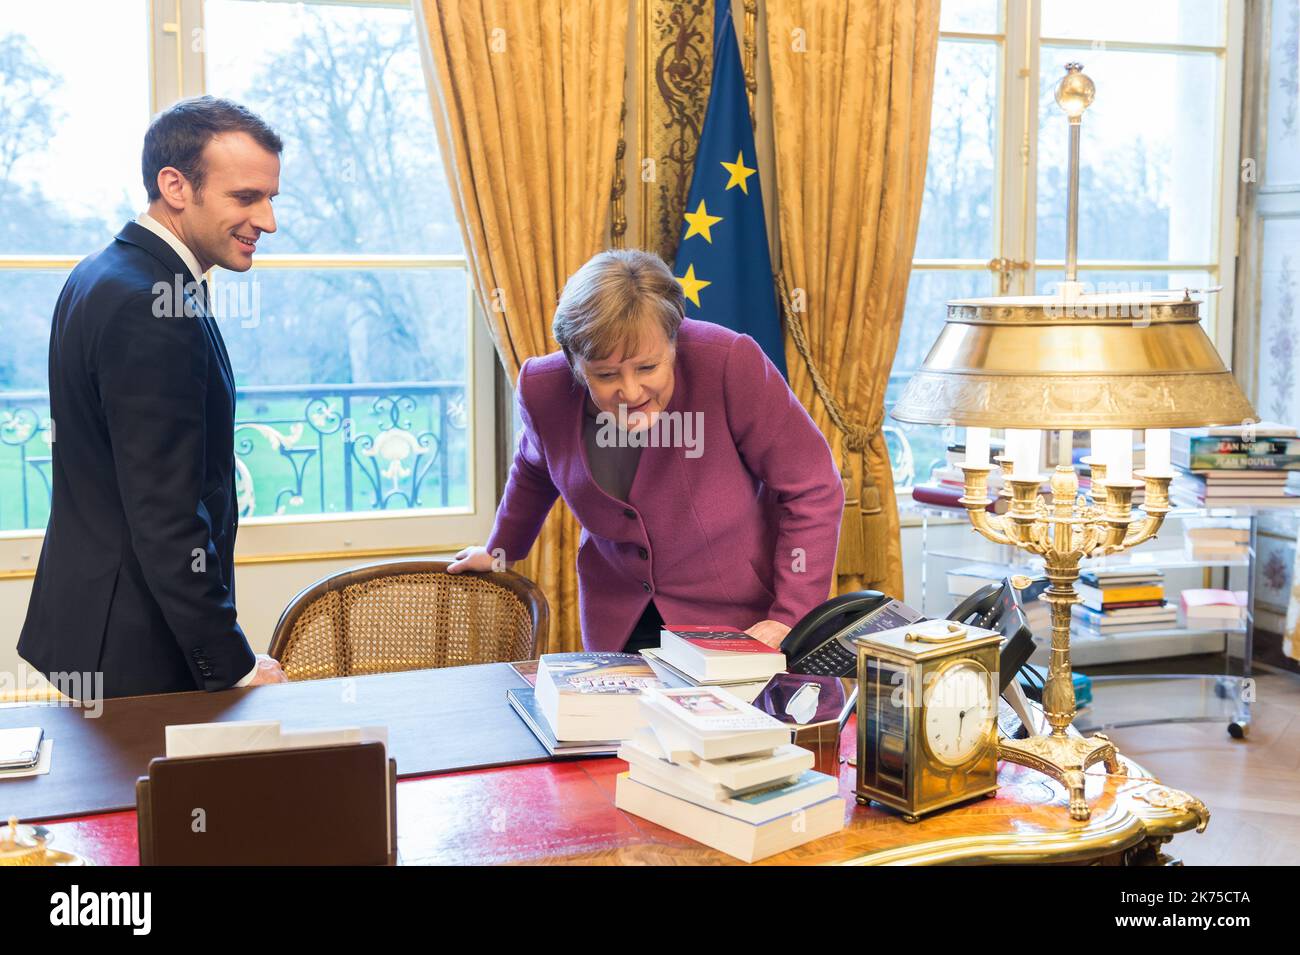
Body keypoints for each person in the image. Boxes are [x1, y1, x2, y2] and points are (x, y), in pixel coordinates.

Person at [18, 97, 288, 697]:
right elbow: (166, 516)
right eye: (246, 198)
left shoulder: (102, 271)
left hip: (97, 629)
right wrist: (233, 665)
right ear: (175, 186)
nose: (267, 220)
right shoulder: (151, 304)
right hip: (137, 646)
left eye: (271, 198)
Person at [449, 249, 844, 652]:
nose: (631, 392)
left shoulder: (728, 363)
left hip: (739, 619)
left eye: (647, 368)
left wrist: (791, 617)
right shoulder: (541, 388)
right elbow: (535, 470)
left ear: (675, 341)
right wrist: (500, 551)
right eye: (605, 375)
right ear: (574, 363)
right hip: (618, 617)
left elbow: (812, 487)